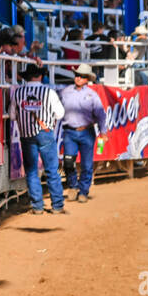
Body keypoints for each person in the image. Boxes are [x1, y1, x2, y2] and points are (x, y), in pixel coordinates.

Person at [11, 63, 67, 215]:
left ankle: (37, 206)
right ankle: (57, 205)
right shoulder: (49, 92)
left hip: (26, 136)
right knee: (52, 170)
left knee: (31, 171)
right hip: (45, 133)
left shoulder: (18, 93)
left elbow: (12, 116)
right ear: (40, 76)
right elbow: (60, 114)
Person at [59, 63, 107, 202]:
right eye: (77, 75)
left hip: (86, 131)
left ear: (87, 79)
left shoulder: (92, 95)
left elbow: (100, 114)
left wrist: (103, 131)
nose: (78, 78)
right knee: (68, 161)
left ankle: (83, 191)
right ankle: (73, 186)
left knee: (86, 164)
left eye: (82, 76)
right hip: (70, 131)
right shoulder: (65, 92)